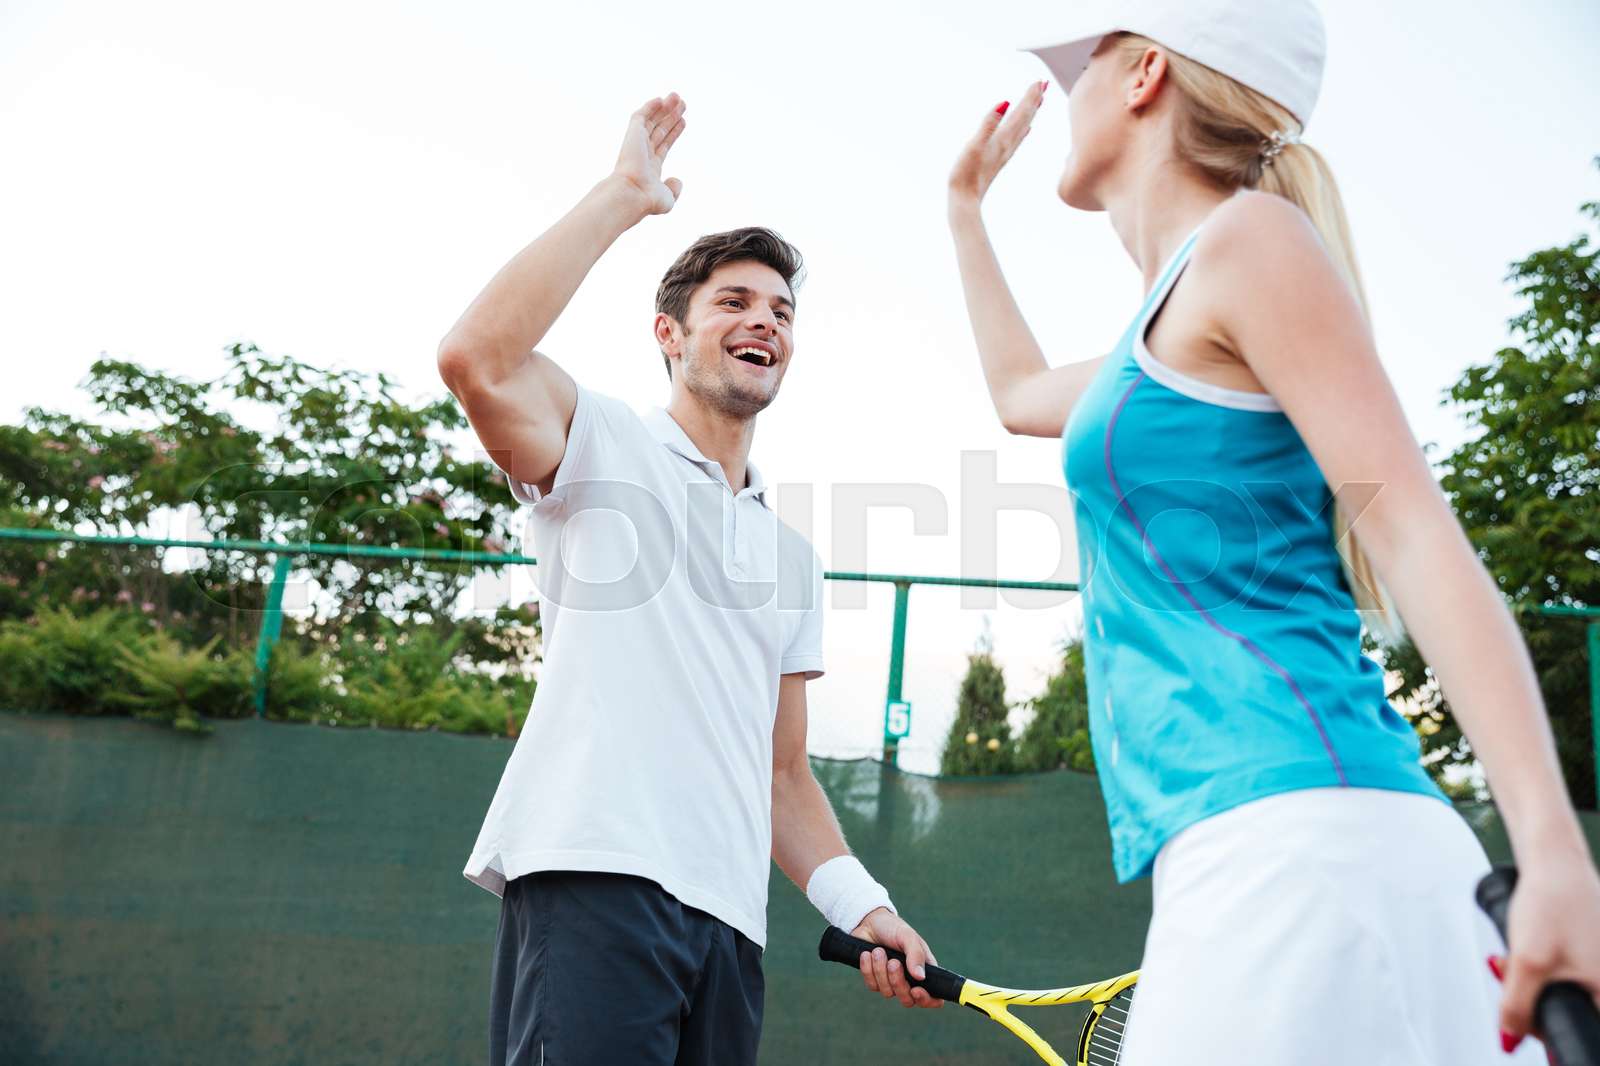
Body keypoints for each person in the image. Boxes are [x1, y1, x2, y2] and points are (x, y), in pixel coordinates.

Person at [943, 1, 1600, 1061]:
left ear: (1145, 72)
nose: (1065, 94)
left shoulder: (1248, 241)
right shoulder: (1159, 330)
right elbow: (1019, 392)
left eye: (1083, 65)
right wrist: (964, 207)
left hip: (1308, 844)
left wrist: (1551, 846)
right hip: (1259, 848)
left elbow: (1416, 532)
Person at [438, 94, 940, 1065]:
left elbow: (783, 777)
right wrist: (624, 196)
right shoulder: (604, 442)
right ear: (668, 334)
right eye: (734, 303)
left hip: (727, 928)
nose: (765, 322)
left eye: (781, 312)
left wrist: (862, 905)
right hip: (594, 878)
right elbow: (475, 356)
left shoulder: (792, 558)